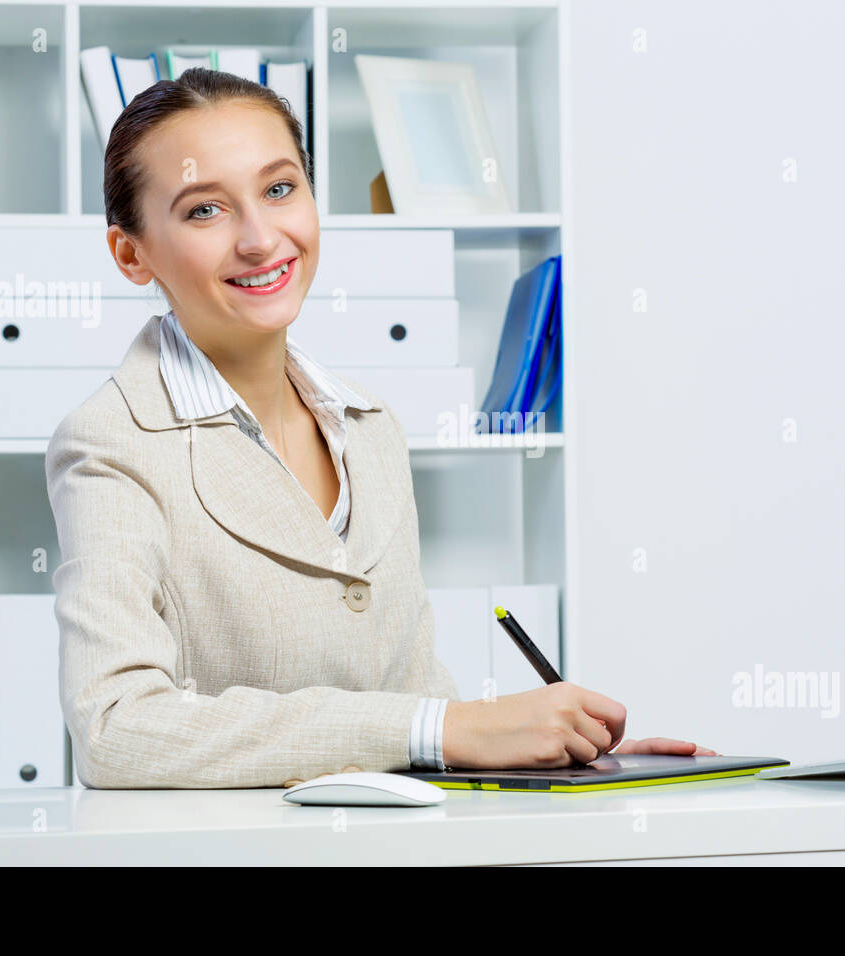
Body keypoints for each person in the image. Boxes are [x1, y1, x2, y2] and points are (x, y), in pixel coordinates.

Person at [46, 67, 714, 789]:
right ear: (131, 254)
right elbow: (117, 730)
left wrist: (553, 756)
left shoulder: (368, 426)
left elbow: (417, 704)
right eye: (205, 210)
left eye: (279, 189)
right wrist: (441, 727)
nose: (260, 238)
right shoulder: (114, 441)